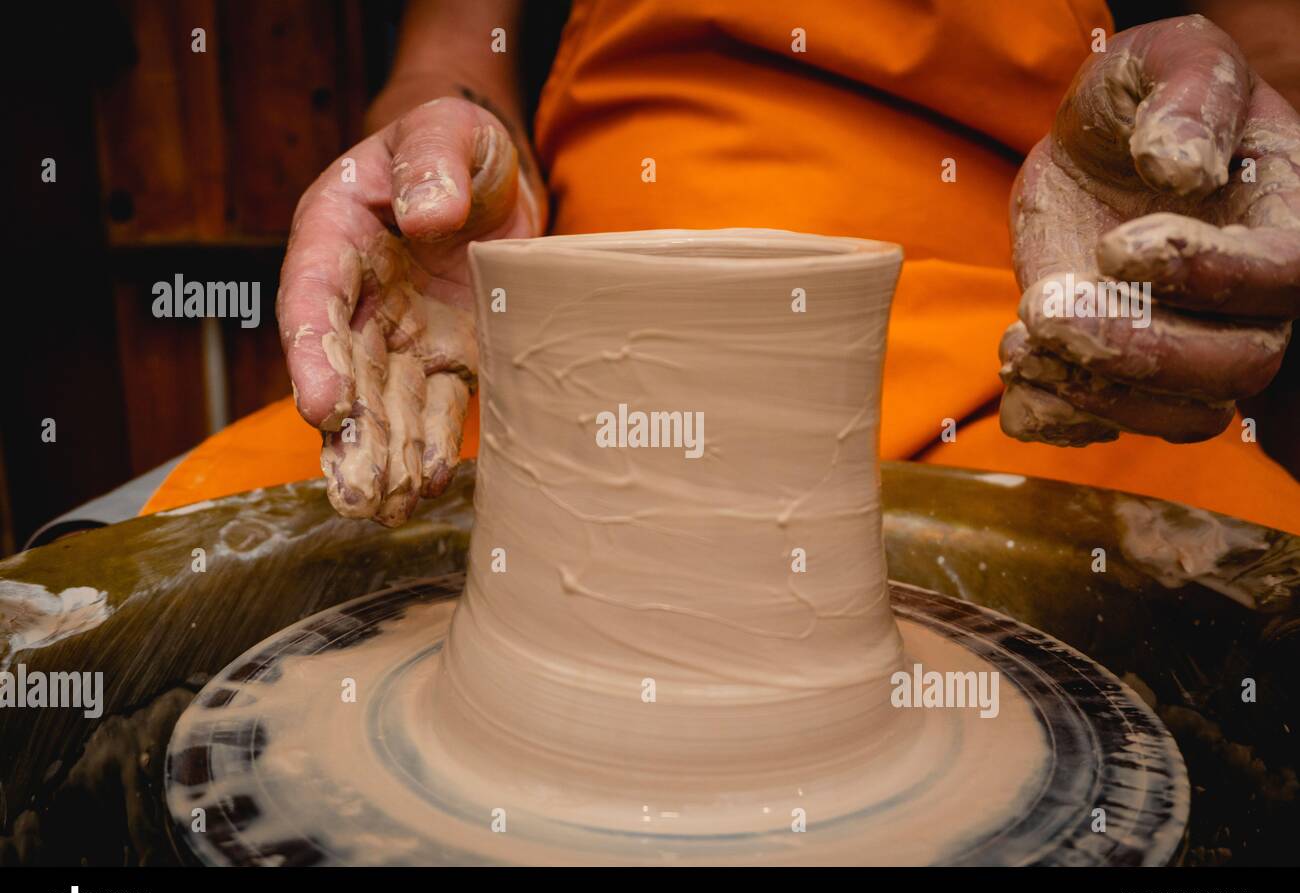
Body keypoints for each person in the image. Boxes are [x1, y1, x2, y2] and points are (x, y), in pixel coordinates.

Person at [140, 0, 1300, 534]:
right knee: (212, 547)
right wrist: (437, 152)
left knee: (1234, 601)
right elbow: (456, 56)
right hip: (571, 337)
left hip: (1017, 338)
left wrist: (1214, 139)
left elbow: (1261, 70)